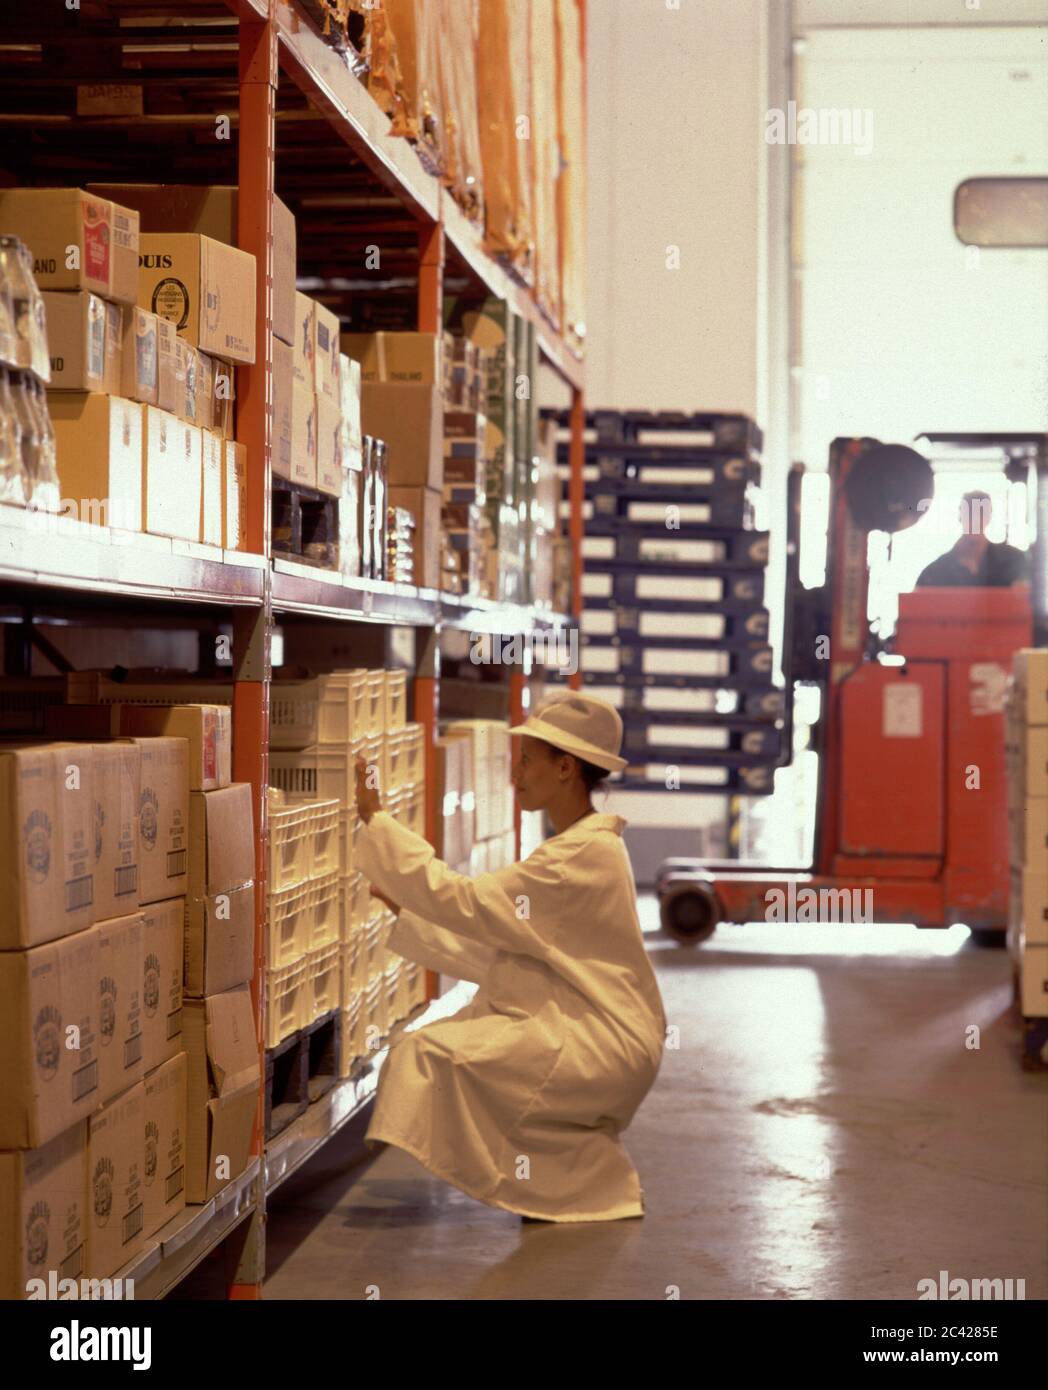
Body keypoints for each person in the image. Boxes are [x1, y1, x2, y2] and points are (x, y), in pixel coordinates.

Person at [352, 691, 667, 1224]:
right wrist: (408, 909)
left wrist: (378, 825)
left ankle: (581, 1185)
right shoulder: (581, 846)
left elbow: (471, 903)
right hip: (603, 1033)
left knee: (433, 1056)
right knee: (437, 1051)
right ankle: (582, 1183)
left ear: (565, 768)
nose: (515, 774)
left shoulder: (579, 856)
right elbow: (506, 948)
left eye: (526, 761)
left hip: (600, 1042)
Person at [915, 490, 1029, 588]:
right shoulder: (935, 572)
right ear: (960, 516)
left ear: (989, 517)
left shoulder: (1013, 561)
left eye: (980, 513)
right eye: (969, 513)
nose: (975, 520)